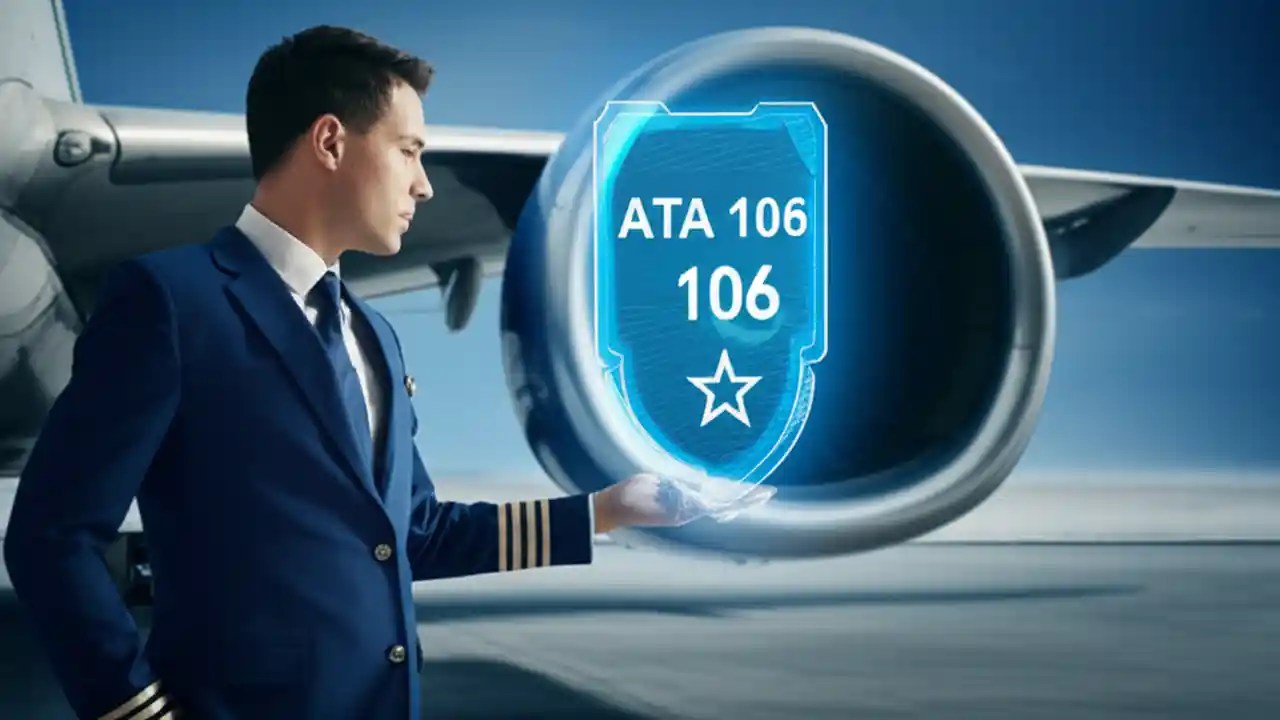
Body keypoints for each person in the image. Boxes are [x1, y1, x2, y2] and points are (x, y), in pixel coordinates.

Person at [2, 25, 771, 720]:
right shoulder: (172, 301)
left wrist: (607, 509)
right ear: (331, 143)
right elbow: (53, 537)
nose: (425, 184)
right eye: (409, 150)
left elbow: (413, 534)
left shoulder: (372, 336)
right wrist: (135, 715)